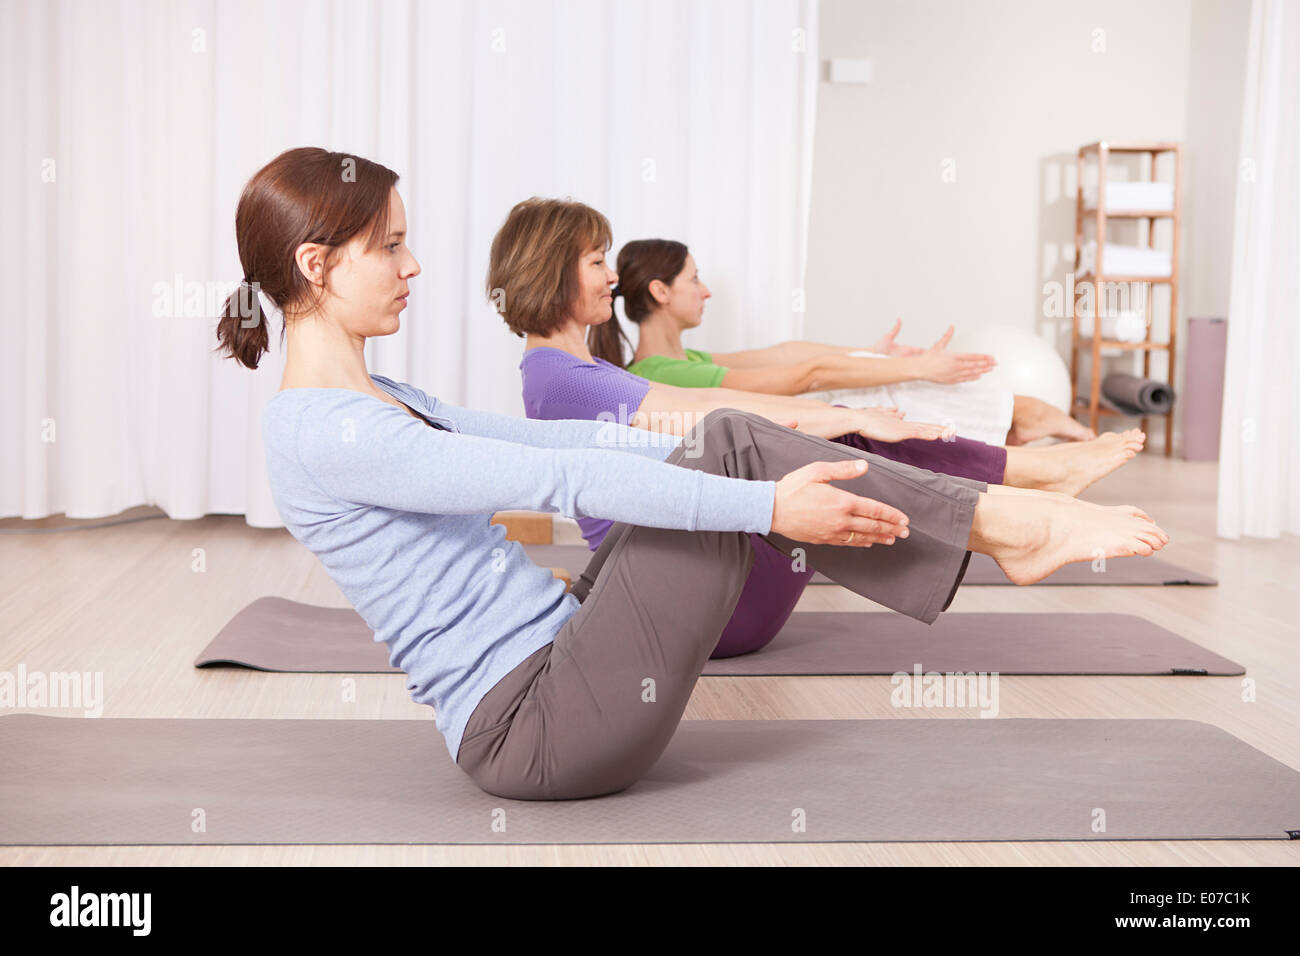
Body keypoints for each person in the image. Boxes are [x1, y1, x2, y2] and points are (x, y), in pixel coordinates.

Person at [220, 148, 1168, 801]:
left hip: (566, 659)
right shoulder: (326, 431)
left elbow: (563, 448)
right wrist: (765, 502)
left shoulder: (382, 395)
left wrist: (720, 468)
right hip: (539, 728)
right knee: (738, 453)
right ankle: (1009, 525)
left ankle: (1003, 521)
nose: (413, 264)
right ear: (316, 264)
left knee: (726, 436)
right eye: (390, 245)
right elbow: (558, 487)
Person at [501, 198, 1145, 657]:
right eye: (596, 262)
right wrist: (851, 418)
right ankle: (1024, 501)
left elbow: (738, 386)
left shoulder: (573, 369)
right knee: (823, 444)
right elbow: (709, 413)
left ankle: (1021, 502)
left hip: (707, 600)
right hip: (696, 610)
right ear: (554, 270)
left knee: (830, 439)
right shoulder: (562, 375)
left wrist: (848, 411)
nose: (612, 277)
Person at [612, 238, 1098, 447]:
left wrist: (870, 353)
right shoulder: (664, 373)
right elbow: (807, 377)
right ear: (660, 292)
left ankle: (1023, 430)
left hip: (811, 419)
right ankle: (1027, 423)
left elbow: (786, 354)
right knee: (886, 389)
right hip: (805, 432)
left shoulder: (681, 360)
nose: (706, 291)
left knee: (877, 379)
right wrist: (918, 367)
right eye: (694, 279)